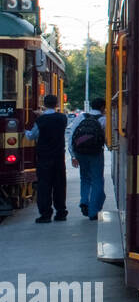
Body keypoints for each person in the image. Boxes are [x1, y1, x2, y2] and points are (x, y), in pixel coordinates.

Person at [25, 94, 67, 223]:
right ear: (57, 104)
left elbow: (31, 136)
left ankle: (45, 214)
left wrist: (25, 131)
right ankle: (61, 212)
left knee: (44, 186)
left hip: (44, 157)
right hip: (59, 156)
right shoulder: (63, 118)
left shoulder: (40, 120)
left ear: (44, 104)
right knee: (59, 185)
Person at [68, 97, 107, 220]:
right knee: (97, 180)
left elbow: (72, 136)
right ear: (102, 107)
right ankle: (93, 210)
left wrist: (73, 155)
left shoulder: (81, 117)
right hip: (95, 153)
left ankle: (84, 200)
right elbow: (107, 140)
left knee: (85, 178)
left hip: (80, 152)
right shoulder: (104, 120)